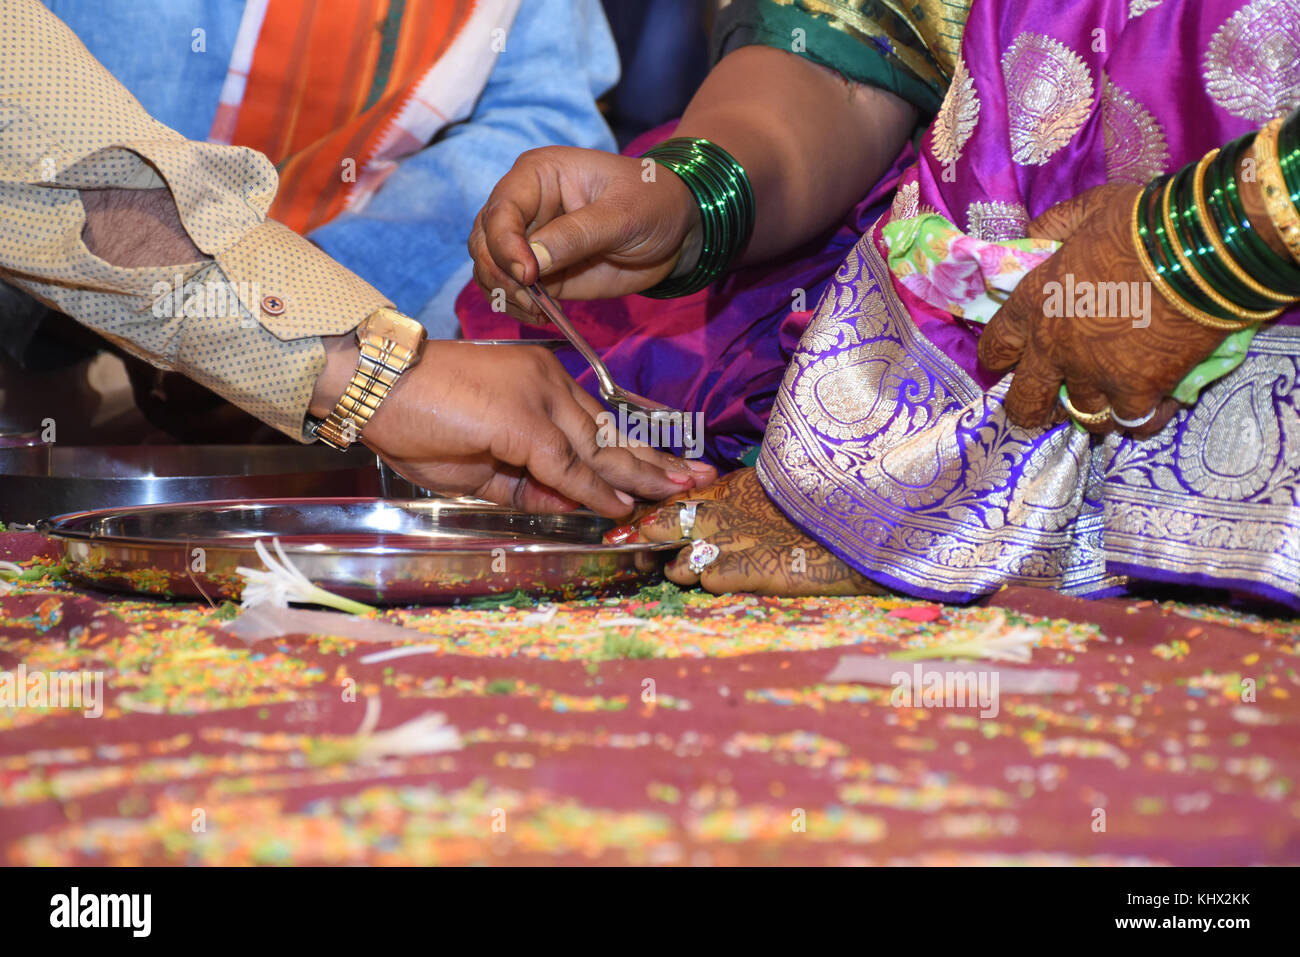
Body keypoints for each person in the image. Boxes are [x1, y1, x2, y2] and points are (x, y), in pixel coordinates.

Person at [472, 0, 1300, 609]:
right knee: (602, 363)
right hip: (982, 300)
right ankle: (931, 466)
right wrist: (697, 196)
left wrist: (1217, 240)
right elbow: (859, 44)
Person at [0, 0, 714, 517]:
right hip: (43, 384)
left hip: (357, 413)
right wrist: (348, 354)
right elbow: (25, 103)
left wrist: (332, 310)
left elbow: (538, 116)